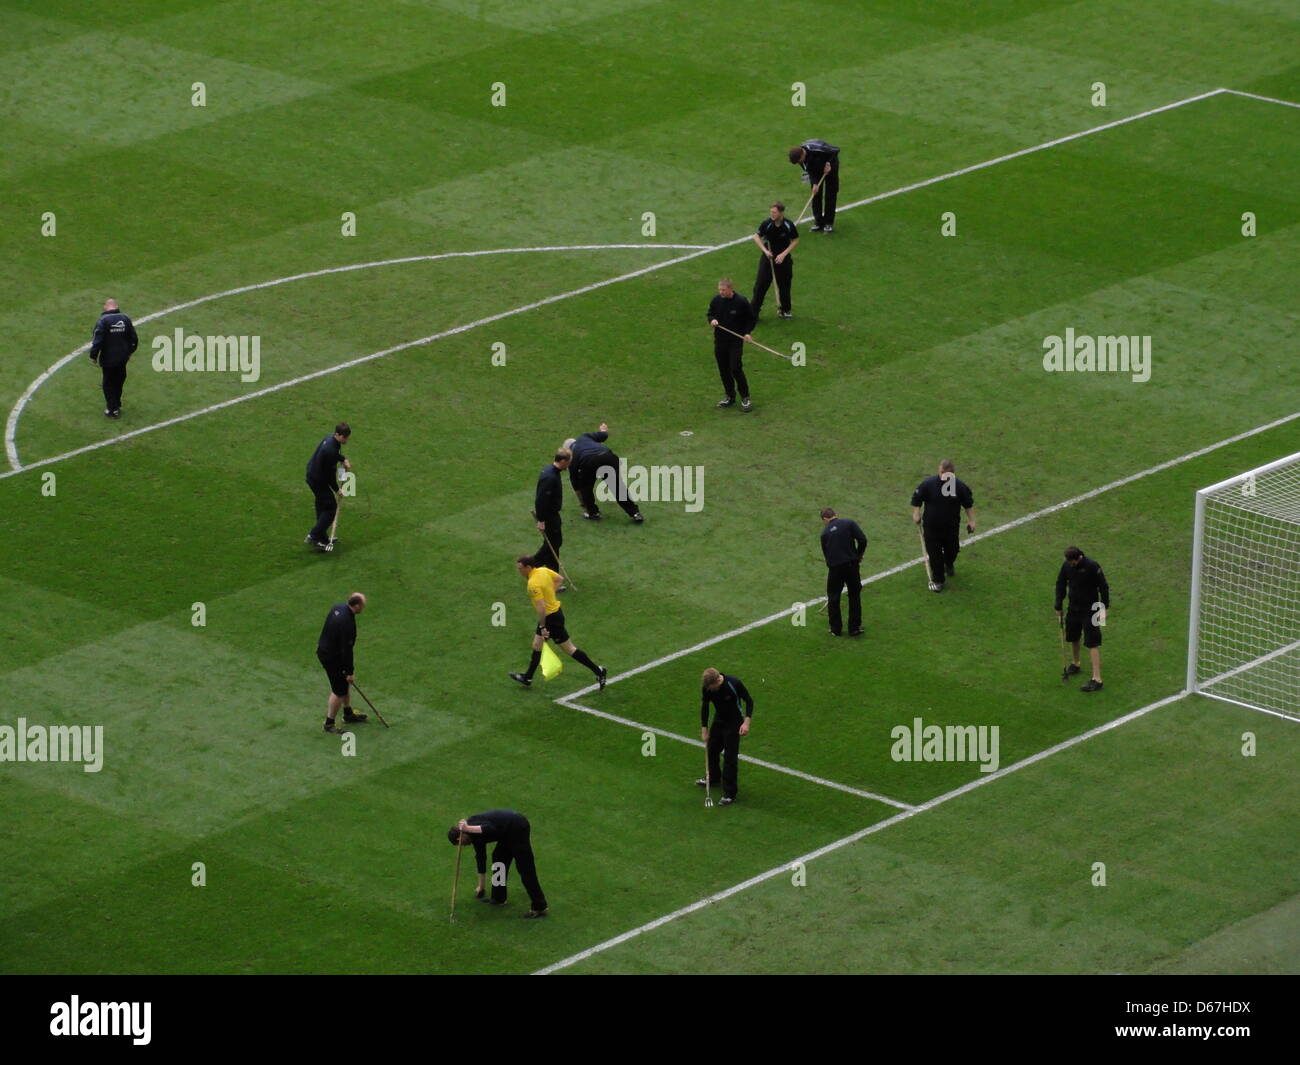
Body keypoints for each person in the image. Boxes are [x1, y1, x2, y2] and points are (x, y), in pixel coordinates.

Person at [508, 555, 606, 689]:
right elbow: (560, 579)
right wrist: (550, 594)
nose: (519, 571)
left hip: (550, 618)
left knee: (566, 648)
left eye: (520, 569)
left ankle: (599, 671)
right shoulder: (542, 570)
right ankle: (528, 677)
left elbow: (541, 608)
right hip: (556, 614)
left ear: (528, 567)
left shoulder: (533, 584)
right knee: (541, 645)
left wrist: (542, 626)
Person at [449, 809, 548, 918]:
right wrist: (481, 887)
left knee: (525, 868)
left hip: (517, 827)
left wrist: (468, 828)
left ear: (460, 838)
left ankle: (540, 907)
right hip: (505, 834)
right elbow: (481, 858)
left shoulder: (471, 827)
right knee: (498, 859)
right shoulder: (473, 837)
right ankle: (498, 897)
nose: (462, 846)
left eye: (460, 844)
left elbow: (490, 828)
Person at [911, 460, 975, 592]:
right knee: (934, 555)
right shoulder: (929, 484)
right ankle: (938, 580)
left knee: (953, 550)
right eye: (941, 473)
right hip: (931, 527)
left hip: (951, 527)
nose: (942, 476)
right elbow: (917, 498)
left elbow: (967, 504)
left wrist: (972, 520)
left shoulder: (959, 486)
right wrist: (916, 513)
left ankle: (949, 563)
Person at [1054, 547, 1110, 692]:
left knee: (1092, 643)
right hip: (1074, 607)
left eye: (1072, 561)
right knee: (1073, 637)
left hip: (1091, 609)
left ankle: (1097, 679)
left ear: (1078, 557)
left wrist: (1104, 608)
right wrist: (1058, 605)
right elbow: (1060, 583)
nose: (1070, 564)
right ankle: (1076, 663)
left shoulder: (1092, 566)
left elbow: (1103, 587)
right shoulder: (1067, 565)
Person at [696, 667, 753, 805]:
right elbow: (705, 706)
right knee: (712, 749)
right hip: (719, 719)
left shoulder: (733, 684)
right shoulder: (708, 687)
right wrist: (704, 728)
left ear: (717, 680)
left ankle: (730, 793)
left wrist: (746, 723)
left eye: (711, 687)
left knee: (730, 757)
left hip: (734, 722)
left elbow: (749, 701)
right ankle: (714, 778)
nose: (710, 690)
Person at [564, 423, 643, 522]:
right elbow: (604, 436)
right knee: (617, 487)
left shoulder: (571, 455)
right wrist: (603, 430)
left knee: (586, 489)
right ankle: (635, 513)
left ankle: (593, 513)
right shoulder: (584, 437)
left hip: (589, 462)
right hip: (609, 457)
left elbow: (574, 480)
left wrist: (580, 496)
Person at [317, 593, 368, 733]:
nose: (364, 607)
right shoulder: (348, 623)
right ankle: (329, 724)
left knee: (344, 684)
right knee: (339, 690)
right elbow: (347, 650)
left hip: (325, 650)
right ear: (356, 605)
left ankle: (348, 714)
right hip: (331, 657)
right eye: (363, 605)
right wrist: (350, 672)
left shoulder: (338, 607)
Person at [707, 278, 755, 412]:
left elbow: (751, 318)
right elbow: (710, 314)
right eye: (720, 290)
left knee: (735, 368)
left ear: (730, 289)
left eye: (723, 290)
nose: (721, 292)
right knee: (723, 369)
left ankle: (745, 397)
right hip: (720, 340)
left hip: (735, 341)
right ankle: (730, 396)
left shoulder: (741, 301)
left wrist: (747, 333)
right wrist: (712, 320)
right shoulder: (716, 300)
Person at [305, 423, 352, 550]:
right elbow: (330, 476)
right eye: (345, 438)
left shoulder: (330, 439)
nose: (346, 440)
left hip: (312, 474)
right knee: (331, 508)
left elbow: (335, 454)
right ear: (338, 435)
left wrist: (343, 459)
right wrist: (338, 490)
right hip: (318, 480)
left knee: (322, 505)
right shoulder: (330, 450)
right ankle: (314, 536)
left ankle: (322, 536)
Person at [88, 298, 138, 418]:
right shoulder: (125, 319)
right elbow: (134, 339)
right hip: (122, 358)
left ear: (106, 307)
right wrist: (130, 352)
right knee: (119, 380)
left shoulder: (103, 321)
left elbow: (97, 341)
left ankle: (112, 409)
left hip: (108, 359)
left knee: (108, 383)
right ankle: (116, 403)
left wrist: (93, 356)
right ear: (116, 306)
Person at [820, 508, 867, 636]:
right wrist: (858, 555)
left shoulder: (824, 534)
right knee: (854, 595)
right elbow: (862, 540)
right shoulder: (849, 523)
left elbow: (826, 555)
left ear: (824, 519)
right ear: (836, 515)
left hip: (835, 569)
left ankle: (835, 629)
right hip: (852, 566)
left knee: (834, 597)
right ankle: (854, 628)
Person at [750, 202, 799, 320]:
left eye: (774, 212)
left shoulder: (788, 225)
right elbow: (756, 237)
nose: (772, 214)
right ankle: (753, 314)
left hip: (783, 260)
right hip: (768, 259)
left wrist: (783, 254)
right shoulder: (767, 224)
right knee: (760, 286)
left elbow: (795, 240)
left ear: (781, 213)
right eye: (771, 212)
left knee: (785, 286)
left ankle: (785, 311)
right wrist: (765, 251)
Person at [788, 139, 840, 232]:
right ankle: (819, 222)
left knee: (830, 194)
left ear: (802, 155)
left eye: (799, 161)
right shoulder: (800, 160)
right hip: (815, 170)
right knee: (815, 194)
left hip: (830, 167)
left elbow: (835, 150)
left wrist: (828, 163)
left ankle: (828, 223)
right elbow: (809, 170)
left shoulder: (817, 149)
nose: (799, 163)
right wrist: (815, 183)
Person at [533, 448, 570, 570]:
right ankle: (532, 565)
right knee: (552, 545)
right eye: (569, 461)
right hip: (549, 517)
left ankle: (550, 572)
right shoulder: (550, 477)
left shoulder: (551, 471)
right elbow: (541, 500)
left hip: (552, 515)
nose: (570, 464)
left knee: (553, 544)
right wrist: (541, 520)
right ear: (563, 461)